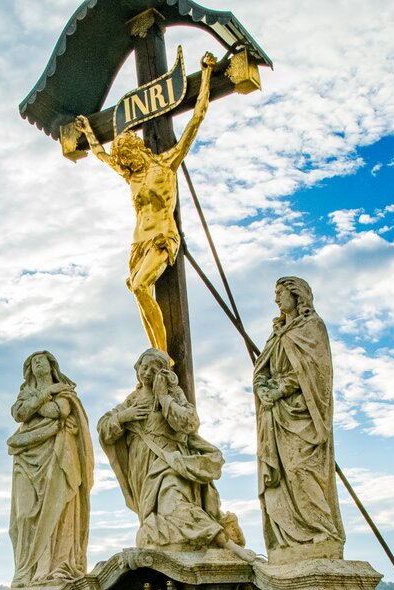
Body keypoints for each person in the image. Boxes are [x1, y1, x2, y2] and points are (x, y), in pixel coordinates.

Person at [75, 51, 219, 352]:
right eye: (122, 156)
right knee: (137, 288)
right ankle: (156, 353)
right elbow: (102, 157)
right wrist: (89, 133)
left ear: (137, 148)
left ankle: (162, 356)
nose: (123, 158)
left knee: (140, 286)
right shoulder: (133, 177)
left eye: (126, 152)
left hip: (163, 237)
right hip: (138, 243)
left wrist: (206, 74)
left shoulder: (166, 163)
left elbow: (197, 118)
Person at [98, 348, 254, 559]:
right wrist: (125, 416)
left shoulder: (174, 394)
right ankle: (207, 542)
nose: (147, 373)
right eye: (144, 368)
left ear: (163, 373)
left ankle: (226, 544)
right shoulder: (131, 400)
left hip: (169, 461)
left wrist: (164, 398)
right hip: (141, 467)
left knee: (175, 505)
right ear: (137, 369)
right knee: (153, 520)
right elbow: (104, 429)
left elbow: (190, 422)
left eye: (154, 370)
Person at [254, 276, 344, 562]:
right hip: (276, 415)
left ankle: (321, 531)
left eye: (281, 293)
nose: (277, 299)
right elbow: (261, 371)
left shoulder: (312, 327)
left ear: (297, 295)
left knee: (301, 469)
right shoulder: (277, 334)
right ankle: (290, 537)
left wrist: (281, 387)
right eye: (275, 293)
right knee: (281, 475)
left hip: (302, 414)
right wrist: (263, 388)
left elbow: (316, 371)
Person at [8, 351, 93, 586]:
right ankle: (25, 568)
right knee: (24, 514)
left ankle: (48, 568)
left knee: (54, 511)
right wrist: (47, 394)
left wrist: (37, 403)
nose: (37, 363)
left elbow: (59, 411)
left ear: (51, 365)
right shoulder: (27, 393)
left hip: (55, 453)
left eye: (41, 359)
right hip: (26, 454)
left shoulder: (65, 391)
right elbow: (20, 413)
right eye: (32, 362)